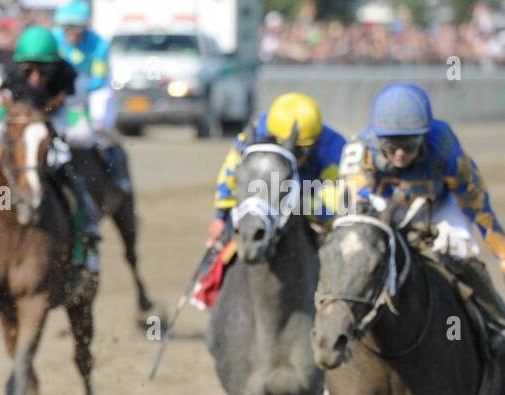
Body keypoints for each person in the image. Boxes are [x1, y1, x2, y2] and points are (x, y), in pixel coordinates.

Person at [341, 82, 505, 352]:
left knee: (459, 248)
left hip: (437, 202)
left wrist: (501, 254)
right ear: (377, 138)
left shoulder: (446, 150)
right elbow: (351, 207)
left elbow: (480, 209)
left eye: (409, 144)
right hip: (384, 200)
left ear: (425, 137)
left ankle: (495, 321)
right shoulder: (361, 152)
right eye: (391, 144)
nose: (400, 154)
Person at [0, 25, 100, 238]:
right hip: (18, 143)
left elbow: (85, 133)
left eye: (45, 70)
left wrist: (51, 131)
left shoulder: (71, 80)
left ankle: (85, 240)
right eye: (28, 70)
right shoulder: (4, 80)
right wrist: (16, 130)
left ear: (55, 66)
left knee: (76, 189)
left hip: (55, 139)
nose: (35, 78)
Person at [206, 92, 347, 248]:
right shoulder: (254, 133)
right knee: (219, 246)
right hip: (262, 200)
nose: (295, 157)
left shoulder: (335, 148)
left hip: (307, 203)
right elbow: (230, 173)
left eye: (300, 151)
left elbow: (336, 208)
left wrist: (296, 204)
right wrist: (220, 217)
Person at [53, 0, 130, 195]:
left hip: (92, 87)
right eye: (66, 27)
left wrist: (79, 93)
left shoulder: (99, 45)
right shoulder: (55, 39)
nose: (70, 33)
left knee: (98, 121)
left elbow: (98, 78)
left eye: (74, 28)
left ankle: (116, 173)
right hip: (65, 88)